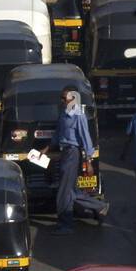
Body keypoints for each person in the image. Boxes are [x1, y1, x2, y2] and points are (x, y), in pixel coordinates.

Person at [39, 89, 95, 235]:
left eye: (64, 99)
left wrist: (89, 161)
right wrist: (46, 149)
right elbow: (58, 134)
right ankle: (99, 207)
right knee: (71, 191)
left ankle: (66, 225)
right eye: (62, 98)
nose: (62, 101)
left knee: (63, 191)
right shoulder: (63, 114)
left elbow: (86, 139)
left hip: (72, 153)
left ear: (72, 100)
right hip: (64, 152)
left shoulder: (78, 116)